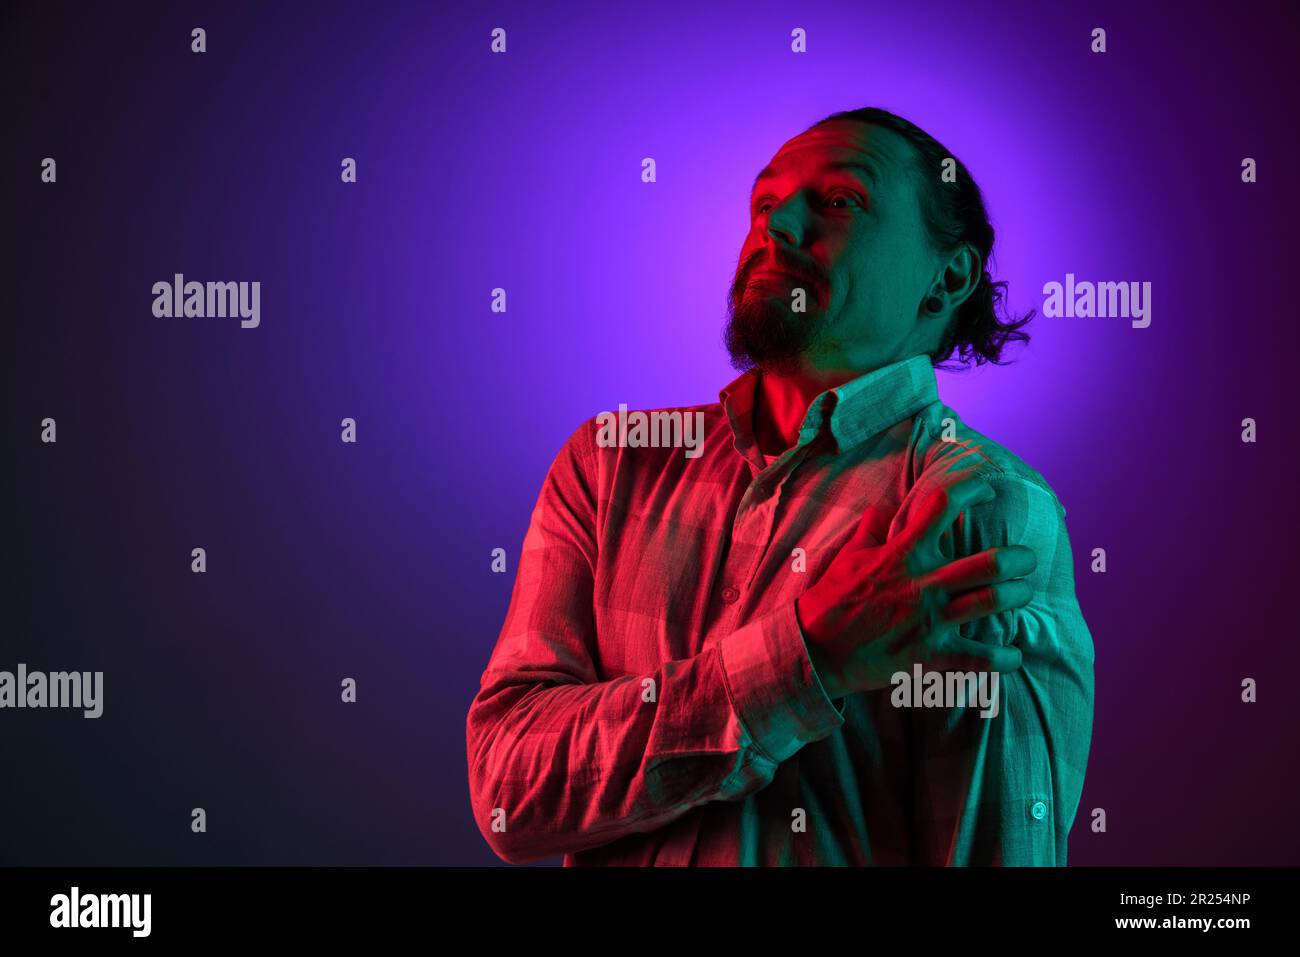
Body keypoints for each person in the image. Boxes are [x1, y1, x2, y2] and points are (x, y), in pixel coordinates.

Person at [465, 106, 1095, 866]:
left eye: (839, 201)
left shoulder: (972, 510)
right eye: (765, 203)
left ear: (947, 277)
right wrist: (808, 661)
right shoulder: (609, 464)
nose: (778, 226)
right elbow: (508, 792)